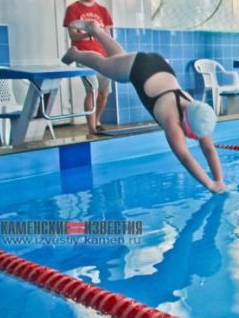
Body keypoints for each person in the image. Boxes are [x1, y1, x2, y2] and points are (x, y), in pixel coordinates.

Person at [61, 20, 227, 193]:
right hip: (138, 67)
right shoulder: (172, 121)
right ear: (186, 122)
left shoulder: (198, 112)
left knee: (118, 58)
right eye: (192, 135)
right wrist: (211, 185)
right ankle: (76, 53)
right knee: (102, 65)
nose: (192, 138)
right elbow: (185, 157)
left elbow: (209, 148)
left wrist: (219, 180)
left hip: (158, 64)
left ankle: (96, 30)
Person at [63, 0, 113, 135]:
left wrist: (111, 55)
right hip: (84, 55)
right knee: (92, 89)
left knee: (104, 94)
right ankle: (92, 129)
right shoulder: (73, 9)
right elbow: (73, 35)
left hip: (102, 57)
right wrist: (89, 33)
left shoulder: (103, 11)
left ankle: (97, 121)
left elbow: (107, 35)